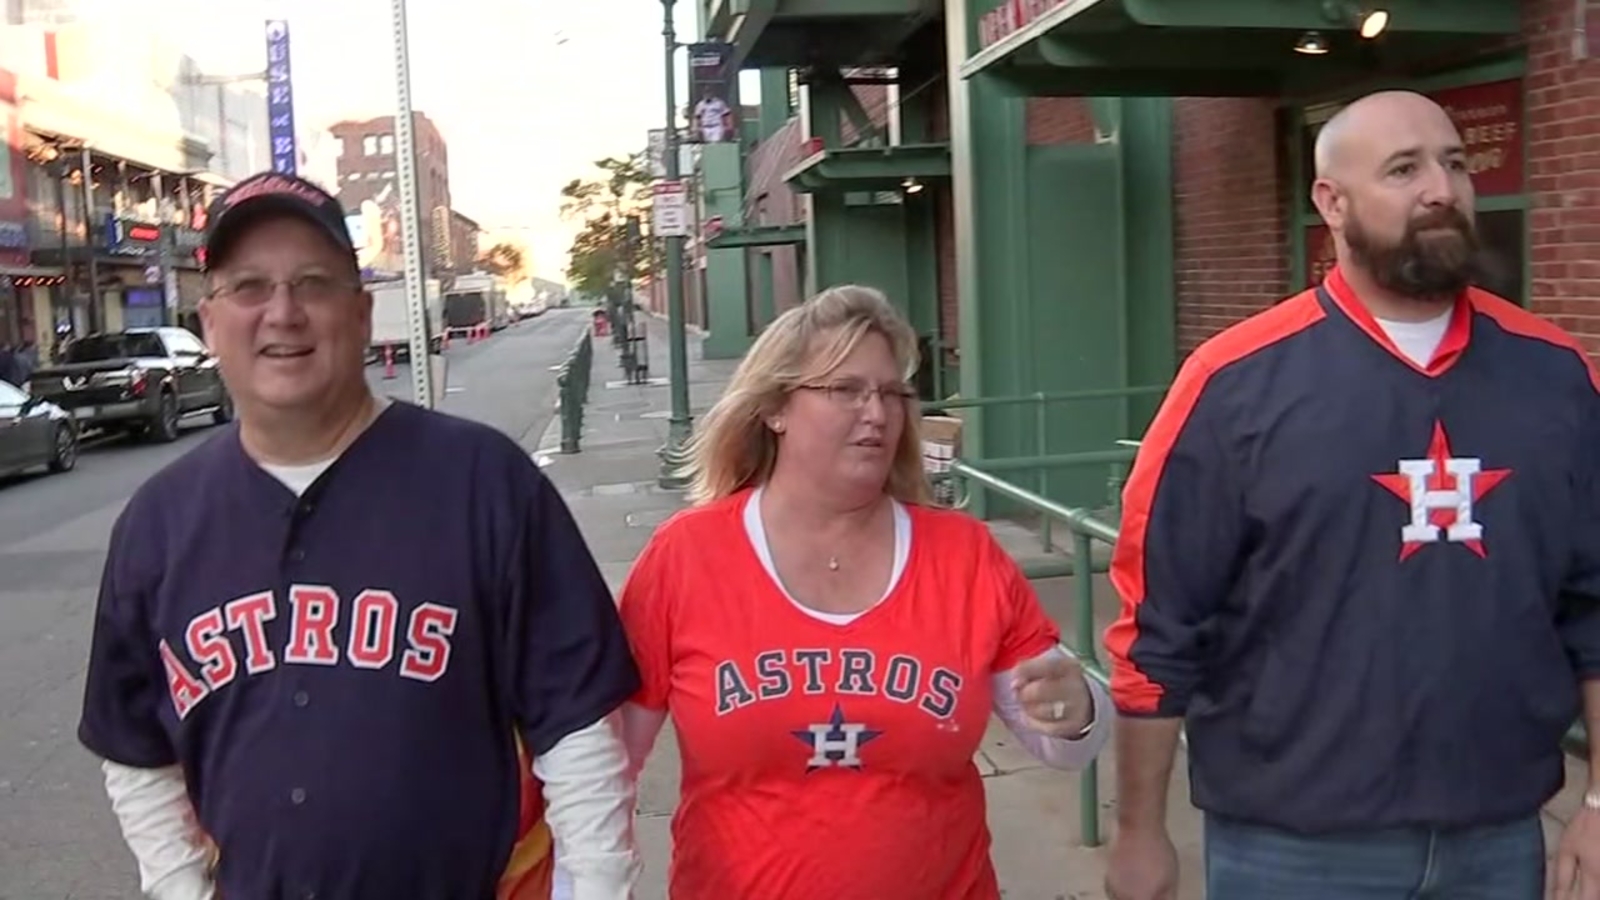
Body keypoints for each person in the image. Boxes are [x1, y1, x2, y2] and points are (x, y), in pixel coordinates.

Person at [76, 170, 643, 900]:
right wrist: (179, 889)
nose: (282, 314)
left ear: (363, 312)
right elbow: (136, 753)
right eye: (249, 287)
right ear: (210, 321)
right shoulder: (159, 522)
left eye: (312, 284)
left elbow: (579, 736)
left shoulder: (483, 483)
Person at [1102, 89, 1600, 900]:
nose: (1440, 187)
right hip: (1290, 849)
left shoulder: (1558, 375)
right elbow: (1157, 629)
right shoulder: (1230, 385)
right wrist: (1138, 830)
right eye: (1403, 168)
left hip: (1501, 836)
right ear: (1330, 202)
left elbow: (1594, 604)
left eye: (1455, 162)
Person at [614, 284, 1111, 899]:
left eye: (891, 393)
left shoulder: (964, 555)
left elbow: (1060, 740)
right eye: (845, 390)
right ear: (776, 409)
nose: (876, 413)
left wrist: (1076, 708)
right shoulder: (684, 558)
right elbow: (612, 761)